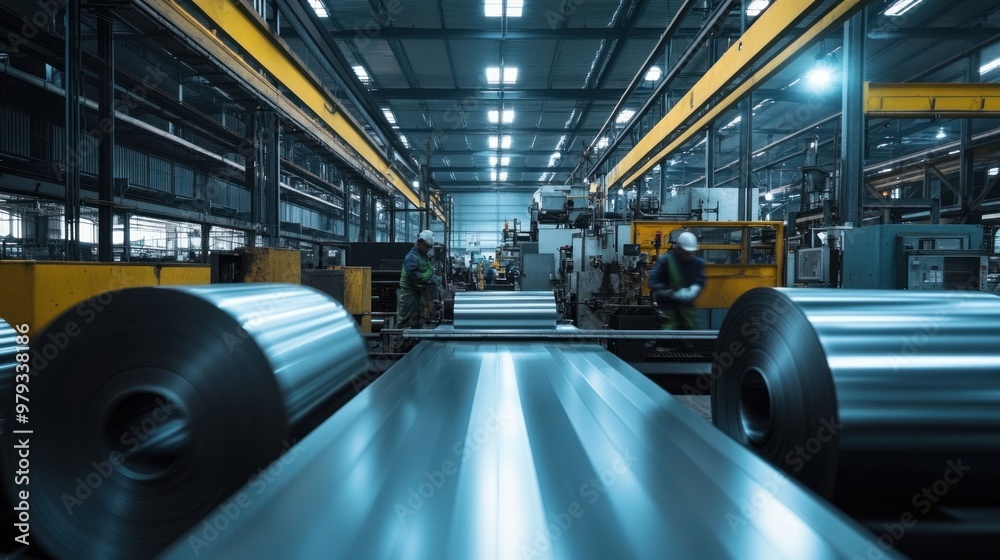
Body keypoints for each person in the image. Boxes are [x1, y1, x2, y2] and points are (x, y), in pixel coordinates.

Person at [648, 231, 706, 335]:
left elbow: (700, 281)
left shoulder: (698, 264)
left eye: (690, 253)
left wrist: (694, 289)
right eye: (685, 253)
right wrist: (672, 293)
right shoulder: (666, 261)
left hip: (688, 315)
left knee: (689, 340)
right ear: (678, 249)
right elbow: (653, 283)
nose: (688, 256)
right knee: (666, 339)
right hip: (667, 313)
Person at [397, 230, 439, 329]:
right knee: (405, 318)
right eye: (428, 247)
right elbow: (413, 273)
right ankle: (401, 338)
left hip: (419, 292)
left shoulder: (423, 256)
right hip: (410, 293)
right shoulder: (411, 256)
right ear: (423, 244)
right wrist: (427, 279)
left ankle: (416, 337)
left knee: (419, 318)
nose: (429, 249)